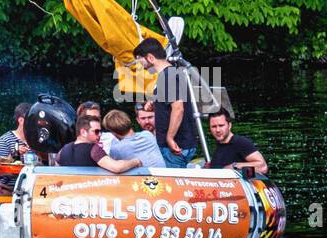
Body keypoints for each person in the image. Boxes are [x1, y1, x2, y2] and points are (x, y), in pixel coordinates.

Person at [133, 38, 200, 168]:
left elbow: (178, 108)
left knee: (174, 185)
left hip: (176, 146)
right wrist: (154, 101)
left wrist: (170, 137)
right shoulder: (171, 73)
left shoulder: (168, 76)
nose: (139, 64)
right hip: (182, 143)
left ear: (150, 58)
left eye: (139, 59)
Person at [57, 114, 144, 173]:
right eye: (96, 131)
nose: (99, 135)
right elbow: (117, 167)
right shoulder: (94, 149)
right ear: (83, 132)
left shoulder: (62, 151)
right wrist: (135, 161)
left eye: (100, 131)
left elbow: (56, 170)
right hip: (92, 196)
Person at [207, 109, 267, 175]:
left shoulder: (240, 142)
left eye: (221, 125)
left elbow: (263, 168)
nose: (217, 130)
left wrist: (235, 166)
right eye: (213, 126)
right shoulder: (218, 145)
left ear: (229, 125)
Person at [0, 102, 31, 191]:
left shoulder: (37, 141)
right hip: (10, 189)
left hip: (32, 187)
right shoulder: (5, 139)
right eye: (31, 120)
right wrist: (14, 154)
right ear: (21, 120)